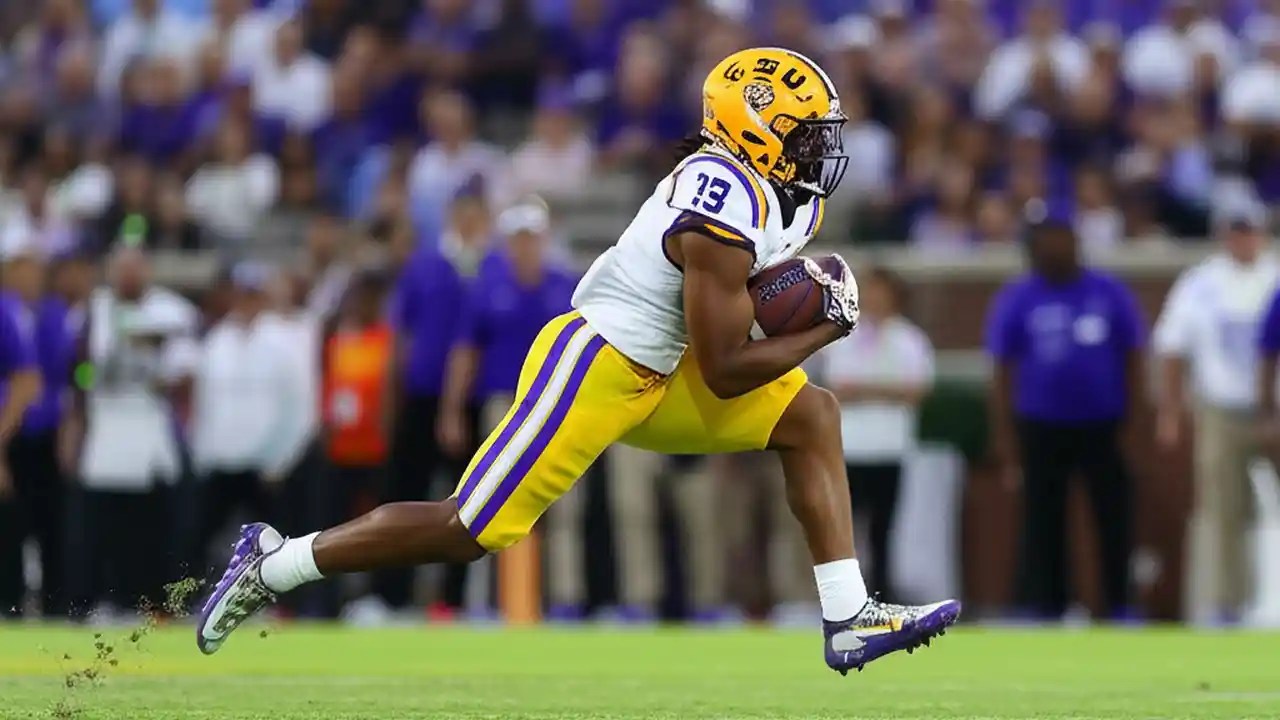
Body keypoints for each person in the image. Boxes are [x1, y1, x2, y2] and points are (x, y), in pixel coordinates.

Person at [197, 48, 960, 673]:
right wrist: (825, 329)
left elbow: (729, 328)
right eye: (805, 135)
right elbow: (729, 366)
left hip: (668, 367)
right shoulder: (718, 201)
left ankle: (847, 614)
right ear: (754, 132)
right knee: (471, 527)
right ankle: (276, 562)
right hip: (601, 360)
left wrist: (794, 310)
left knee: (811, 415)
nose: (821, 151)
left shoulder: (784, 196)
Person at [986, 201, 1144, 620]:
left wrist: (1135, 422)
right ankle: (1049, 605)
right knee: (1044, 519)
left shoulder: (1108, 291)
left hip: (1103, 423)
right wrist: (1005, 436)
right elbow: (1001, 371)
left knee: (1113, 517)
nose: (1057, 248)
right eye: (1046, 241)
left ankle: (1118, 604)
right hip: (1040, 425)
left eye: (1064, 239)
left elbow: (1133, 357)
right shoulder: (1018, 297)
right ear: (1033, 248)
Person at [1156, 189, 1280, 624]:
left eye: (1250, 230)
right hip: (1222, 408)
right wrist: (1171, 410)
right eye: (1236, 230)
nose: (1244, 239)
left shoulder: (1275, 277)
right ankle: (1228, 603)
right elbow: (1171, 346)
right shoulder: (1200, 282)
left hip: (1278, 409)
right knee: (1222, 508)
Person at [820, 267, 934, 603]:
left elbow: (915, 392)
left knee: (883, 530)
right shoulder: (843, 336)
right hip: (850, 448)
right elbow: (838, 387)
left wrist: (865, 389)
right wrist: (888, 389)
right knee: (846, 532)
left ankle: (882, 596)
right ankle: (846, 600)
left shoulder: (910, 340)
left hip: (889, 449)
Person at [0, 234, 48, 618]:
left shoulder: (8, 311)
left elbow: (27, 382)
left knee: (11, 516)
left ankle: (10, 602)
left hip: (13, 436)